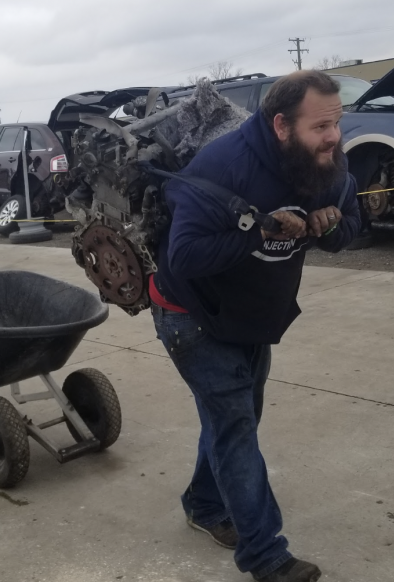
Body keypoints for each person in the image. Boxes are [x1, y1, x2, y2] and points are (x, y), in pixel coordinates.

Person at [150, 71, 361, 582]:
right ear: (281, 125)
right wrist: (259, 229)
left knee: (235, 419)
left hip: (252, 315)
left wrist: (328, 225)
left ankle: (205, 504)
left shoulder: (326, 162)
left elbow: (351, 230)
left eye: (336, 123)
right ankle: (265, 555)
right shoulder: (225, 166)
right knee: (235, 425)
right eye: (320, 127)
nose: (333, 137)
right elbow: (185, 254)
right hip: (190, 313)